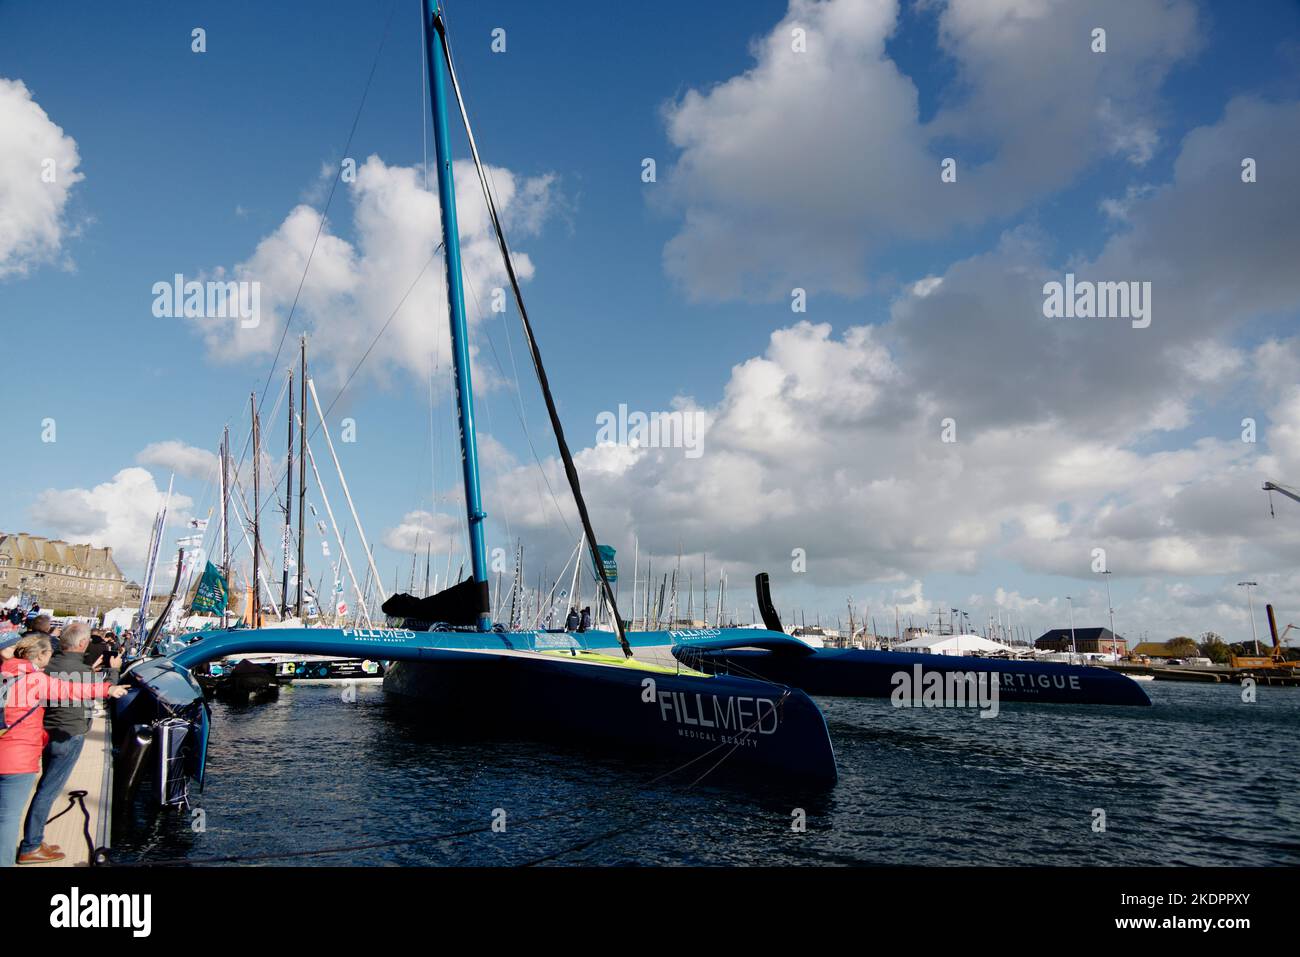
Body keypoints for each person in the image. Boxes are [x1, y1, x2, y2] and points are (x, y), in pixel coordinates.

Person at [0, 633, 127, 865]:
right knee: (7, 819)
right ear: (39, 655)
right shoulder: (33, 680)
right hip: (18, 760)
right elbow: (69, 691)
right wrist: (107, 689)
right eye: (48, 654)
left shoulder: (5, 673)